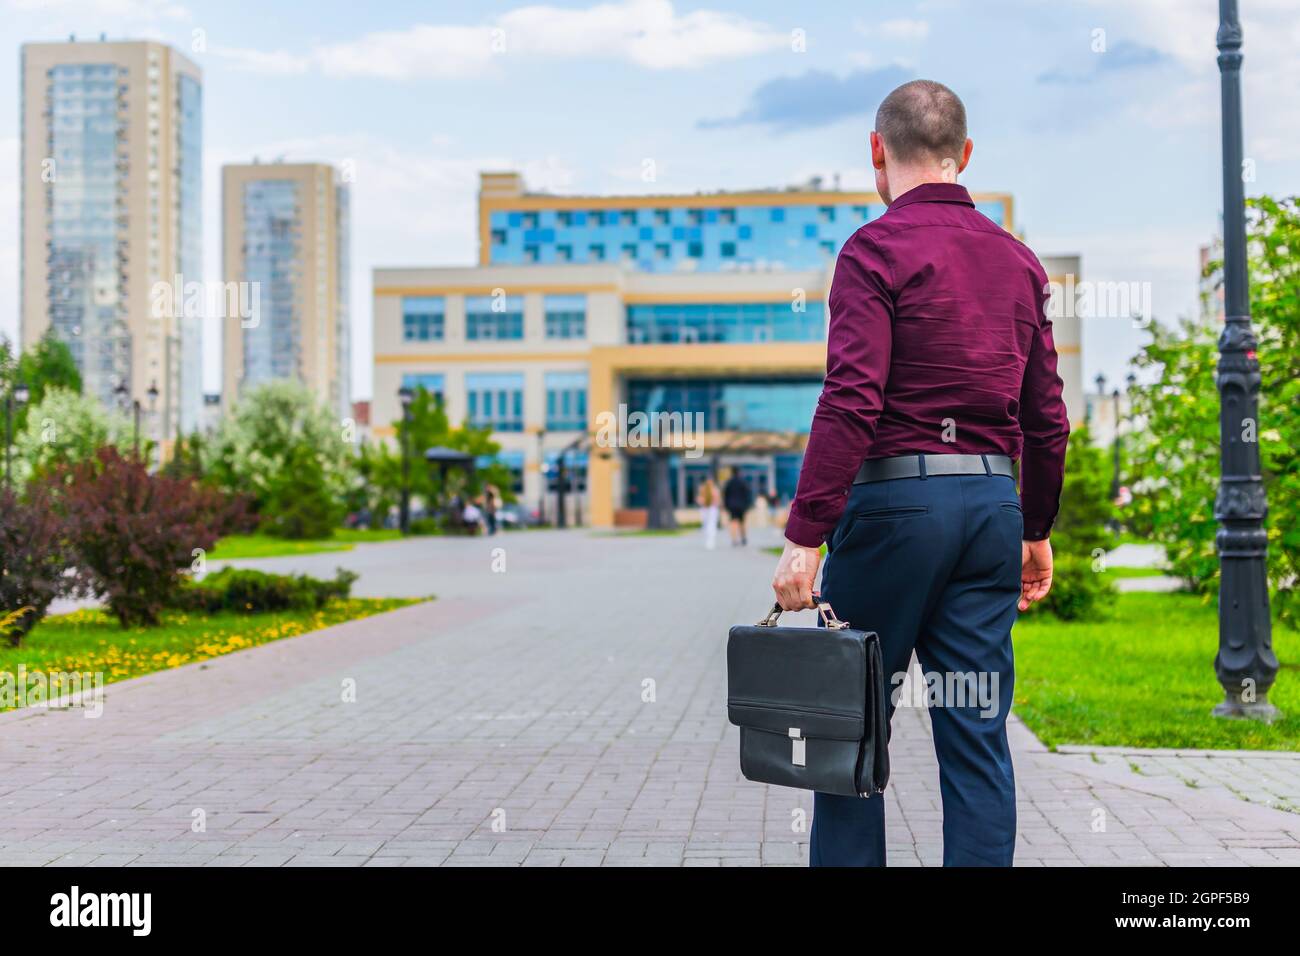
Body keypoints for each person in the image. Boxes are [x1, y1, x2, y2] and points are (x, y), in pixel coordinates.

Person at [769, 80, 1070, 867]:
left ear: (877, 152)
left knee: (850, 736)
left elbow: (852, 398)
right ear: (965, 155)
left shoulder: (872, 252)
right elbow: (1047, 417)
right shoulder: (1019, 263)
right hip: (988, 514)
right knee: (976, 738)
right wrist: (1034, 528)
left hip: (893, 515)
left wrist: (806, 536)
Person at [723, 470, 754, 546]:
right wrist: (748, 505)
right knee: (742, 522)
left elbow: (725, 495)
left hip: (732, 506)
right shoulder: (743, 482)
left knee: (733, 522)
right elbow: (748, 494)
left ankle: (734, 539)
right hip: (742, 506)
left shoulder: (729, 482)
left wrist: (726, 506)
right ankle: (743, 537)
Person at [695, 476, 720, 550]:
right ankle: (710, 540)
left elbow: (699, 499)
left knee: (708, 524)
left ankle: (710, 540)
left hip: (708, 508)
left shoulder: (703, 489)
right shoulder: (712, 490)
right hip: (710, 509)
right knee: (710, 524)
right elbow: (717, 500)